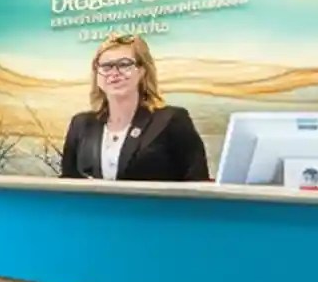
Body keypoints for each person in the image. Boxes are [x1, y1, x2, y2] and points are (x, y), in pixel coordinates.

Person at [60, 33, 209, 181]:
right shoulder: (81, 124)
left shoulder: (171, 120)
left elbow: (198, 183)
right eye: (106, 66)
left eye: (124, 65)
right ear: (97, 75)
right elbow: (67, 185)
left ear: (142, 71)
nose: (114, 73)